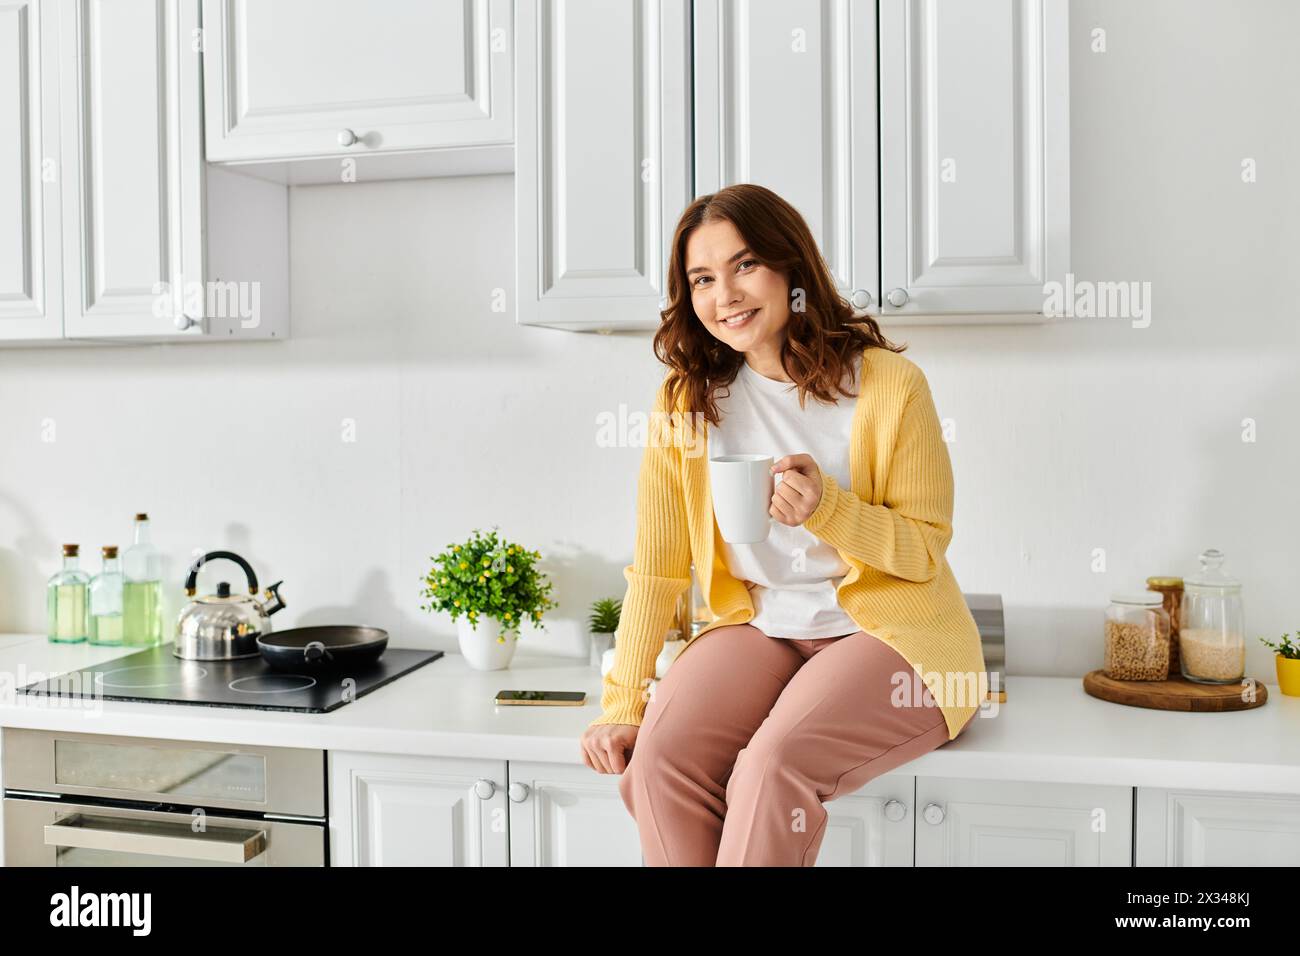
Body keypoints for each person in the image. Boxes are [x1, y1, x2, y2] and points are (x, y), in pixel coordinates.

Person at [578, 183, 989, 866]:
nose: (725, 295)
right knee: (657, 761)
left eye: (745, 266)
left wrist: (827, 509)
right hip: (762, 629)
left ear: (791, 268)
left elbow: (922, 551)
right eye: (702, 278)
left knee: (772, 764)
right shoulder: (687, 401)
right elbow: (657, 568)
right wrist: (621, 702)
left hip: (895, 638)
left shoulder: (890, 386)